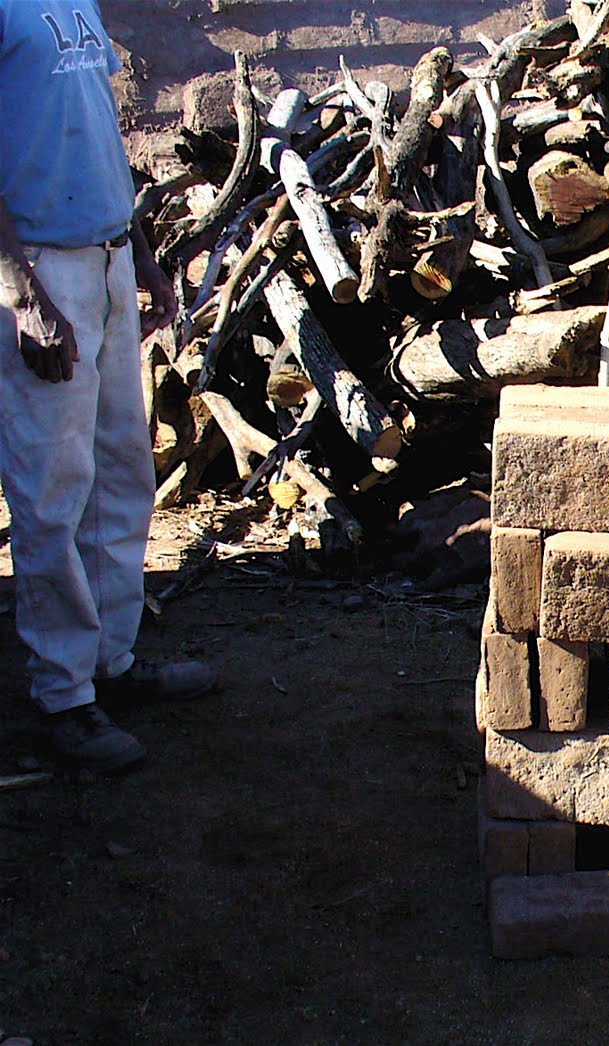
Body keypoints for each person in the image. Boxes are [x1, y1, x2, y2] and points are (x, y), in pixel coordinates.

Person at [1, 0, 215, 773]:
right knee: (52, 490)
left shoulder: (73, 3)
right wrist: (21, 295)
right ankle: (64, 694)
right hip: (40, 268)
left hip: (106, 255)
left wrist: (143, 256)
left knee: (122, 467)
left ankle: (111, 663)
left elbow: (103, 141)